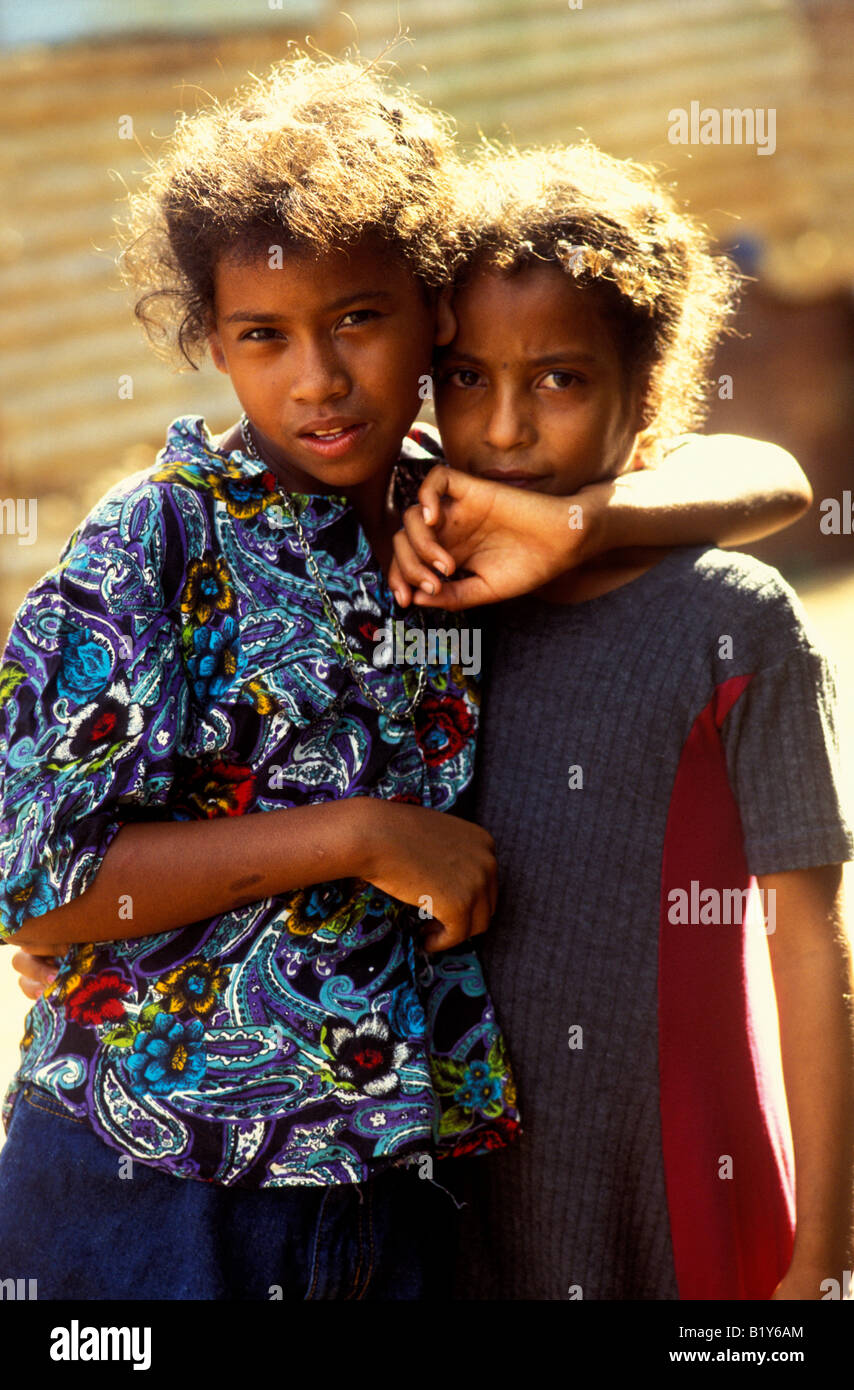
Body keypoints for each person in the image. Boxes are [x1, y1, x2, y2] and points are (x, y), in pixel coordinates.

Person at [1, 63, 812, 1301]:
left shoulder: (452, 509)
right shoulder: (157, 543)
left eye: (358, 320)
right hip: (156, 1196)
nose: (316, 379)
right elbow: (33, 895)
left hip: (400, 1192)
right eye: (262, 338)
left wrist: (581, 523)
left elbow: (768, 478)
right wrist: (361, 836)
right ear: (211, 342)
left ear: (432, 312)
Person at [388, 142, 854, 1300]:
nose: (500, 429)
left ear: (645, 400)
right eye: (462, 377)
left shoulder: (726, 620)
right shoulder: (404, 590)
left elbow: (806, 946)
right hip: (446, 1216)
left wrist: (824, 1255)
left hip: (690, 1204)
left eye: (559, 379)